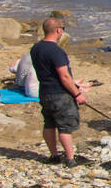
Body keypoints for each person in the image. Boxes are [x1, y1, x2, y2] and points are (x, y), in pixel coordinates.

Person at [30, 18, 89, 165]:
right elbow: (64, 76)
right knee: (64, 127)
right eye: (62, 28)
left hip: (44, 91)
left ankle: (54, 155)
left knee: (49, 123)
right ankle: (70, 158)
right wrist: (77, 93)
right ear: (58, 30)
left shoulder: (36, 48)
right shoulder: (56, 51)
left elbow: (49, 72)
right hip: (60, 94)